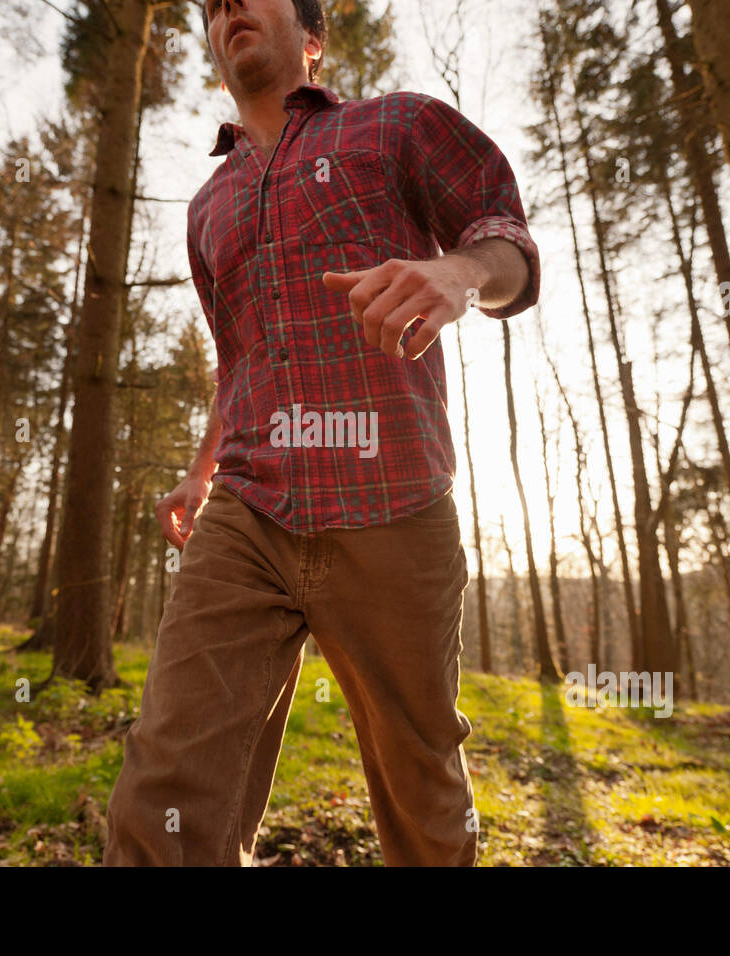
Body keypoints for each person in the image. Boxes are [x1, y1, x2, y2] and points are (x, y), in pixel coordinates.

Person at [103, 0, 540, 866]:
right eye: (213, 5)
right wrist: (200, 473)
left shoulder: (398, 127)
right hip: (247, 513)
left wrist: (460, 273)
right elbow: (239, 361)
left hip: (393, 500)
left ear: (311, 36)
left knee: (422, 790)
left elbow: (507, 242)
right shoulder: (206, 206)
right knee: (165, 787)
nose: (228, 8)